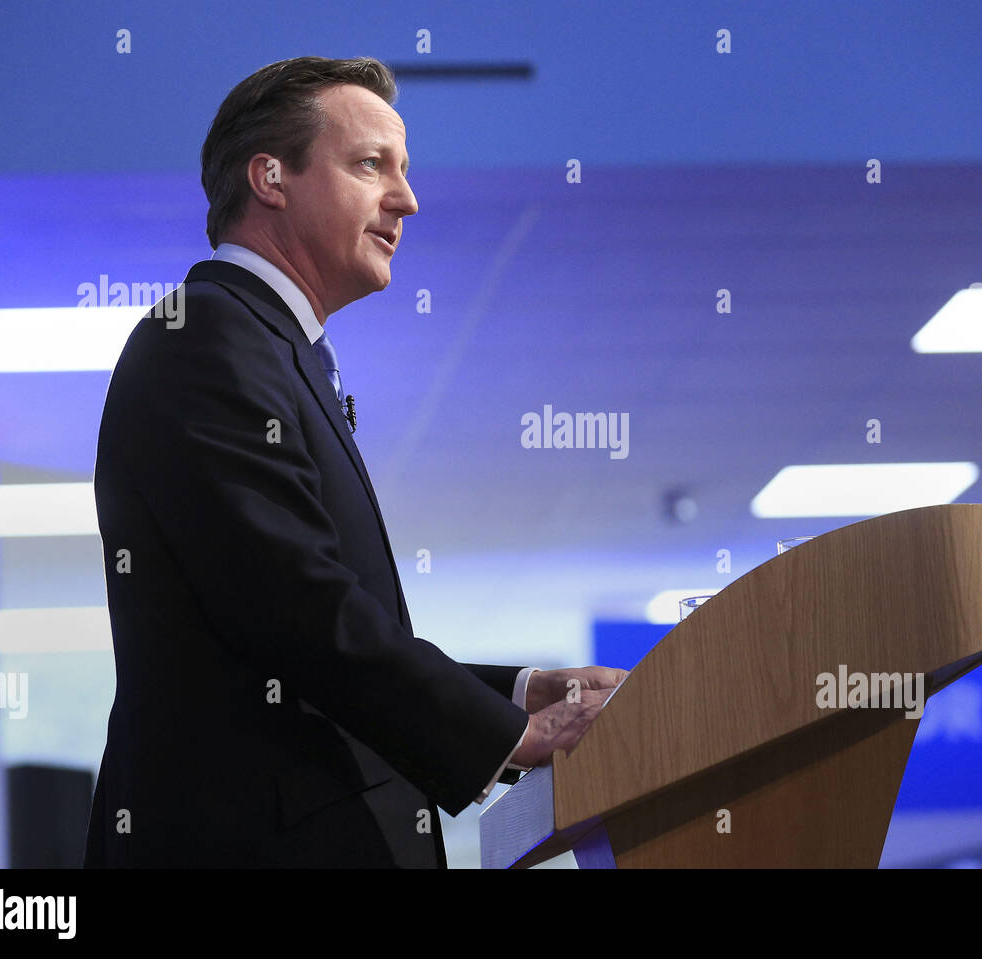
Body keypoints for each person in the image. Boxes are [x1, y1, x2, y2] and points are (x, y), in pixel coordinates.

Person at [83, 55, 627, 867]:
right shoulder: (208, 337)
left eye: (401, 171)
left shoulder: (269, 345)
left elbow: (316, 630)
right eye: (371, 164)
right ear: (270, 177)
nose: (406, 198)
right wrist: (515, 734)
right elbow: (296, 608)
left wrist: (517, 690)